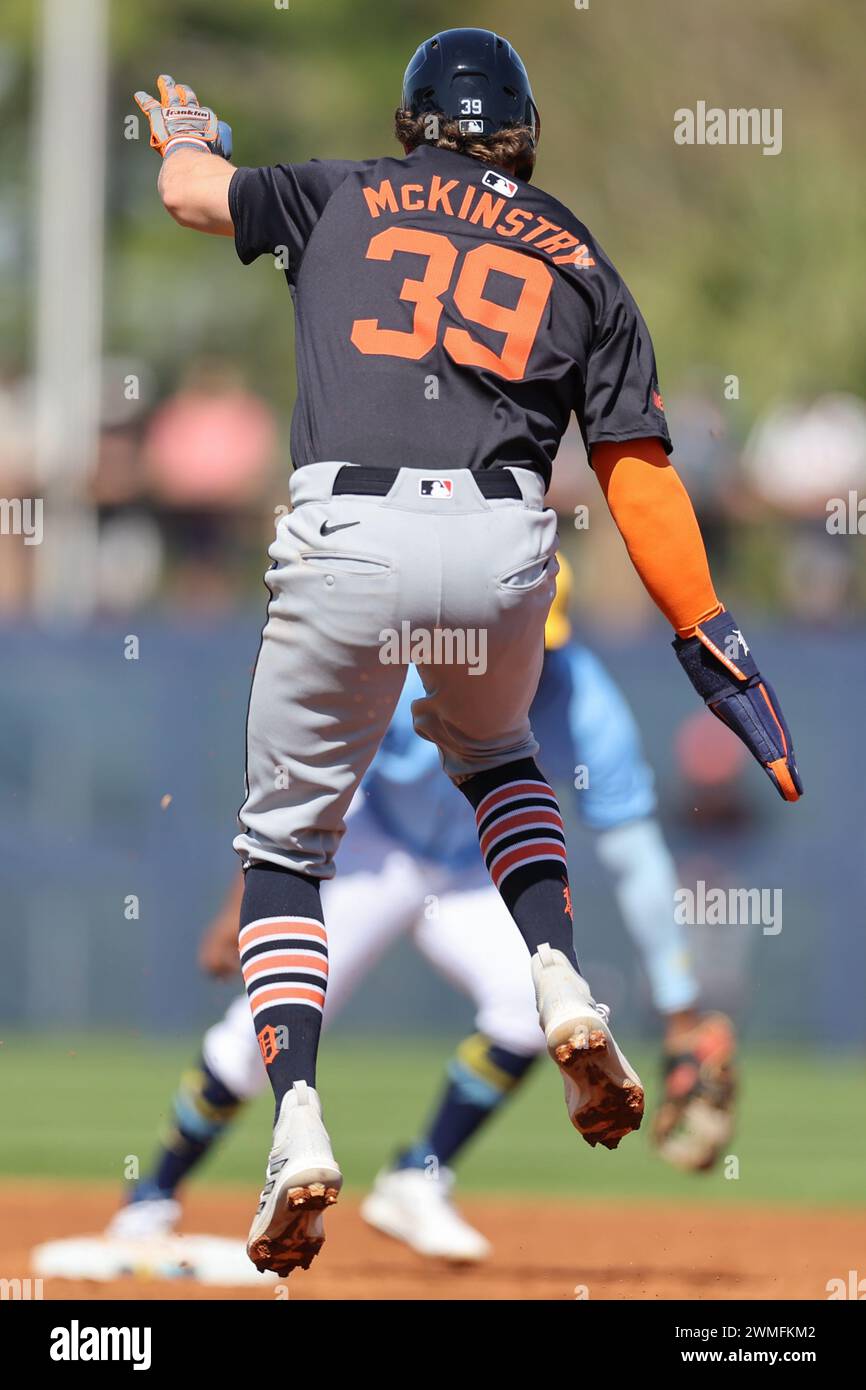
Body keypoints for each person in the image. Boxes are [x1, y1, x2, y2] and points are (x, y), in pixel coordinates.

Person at [134, 28, 800, 1275]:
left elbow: (185, 193)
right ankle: (554, 968)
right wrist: (706, 626)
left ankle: (296, 1125)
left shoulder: (341, 190)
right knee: (498, 758)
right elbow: (634, 472)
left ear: (412, 125)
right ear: (522, 134)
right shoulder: (577, 253)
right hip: (501, 545)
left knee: (284, 848)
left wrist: (185, 136)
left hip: (344, 526)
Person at [110, 568, 734, 1261]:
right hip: (371, 848)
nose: (519, 654)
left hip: (469, 869)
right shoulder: (407, 670)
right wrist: (243, 904)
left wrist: (679, 1007)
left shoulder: (582, 699)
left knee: (541, 1011)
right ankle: (150, 1198)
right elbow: (309, 786)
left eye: (535, 640)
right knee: (255, 1042)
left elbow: (637, 855)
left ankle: (418, 1175)